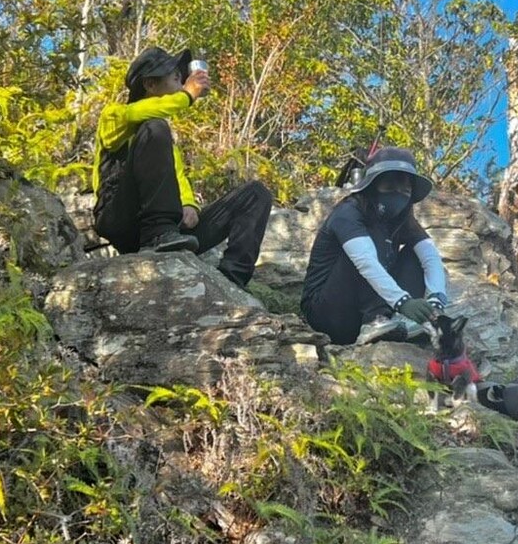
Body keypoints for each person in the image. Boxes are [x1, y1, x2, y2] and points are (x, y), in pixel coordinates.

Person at [92, 45, 272, 288]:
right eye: (172, 73)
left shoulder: (161, 137)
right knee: (155, 126)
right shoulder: (116, 116)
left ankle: (232, 280)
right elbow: (140, 113)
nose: (179, 75)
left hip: (173, 234)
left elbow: (176, 177)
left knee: (255, 194)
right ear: (149, 84)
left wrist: (189, 204)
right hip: (122, 221)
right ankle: (158, 233)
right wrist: (188, 95)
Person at [300, 146, 450, 344]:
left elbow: (429, 255)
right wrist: (402, 302)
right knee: (369, 243)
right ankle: (375, 320)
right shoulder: (348, 213)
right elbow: (365, 261)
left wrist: (437, 299)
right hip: (328, 314)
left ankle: (400, 323)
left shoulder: (402, 220)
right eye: (389, 188)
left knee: (415, 255)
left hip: (373, 307)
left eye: (405, 191)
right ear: (372, 186)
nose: (398, 195)